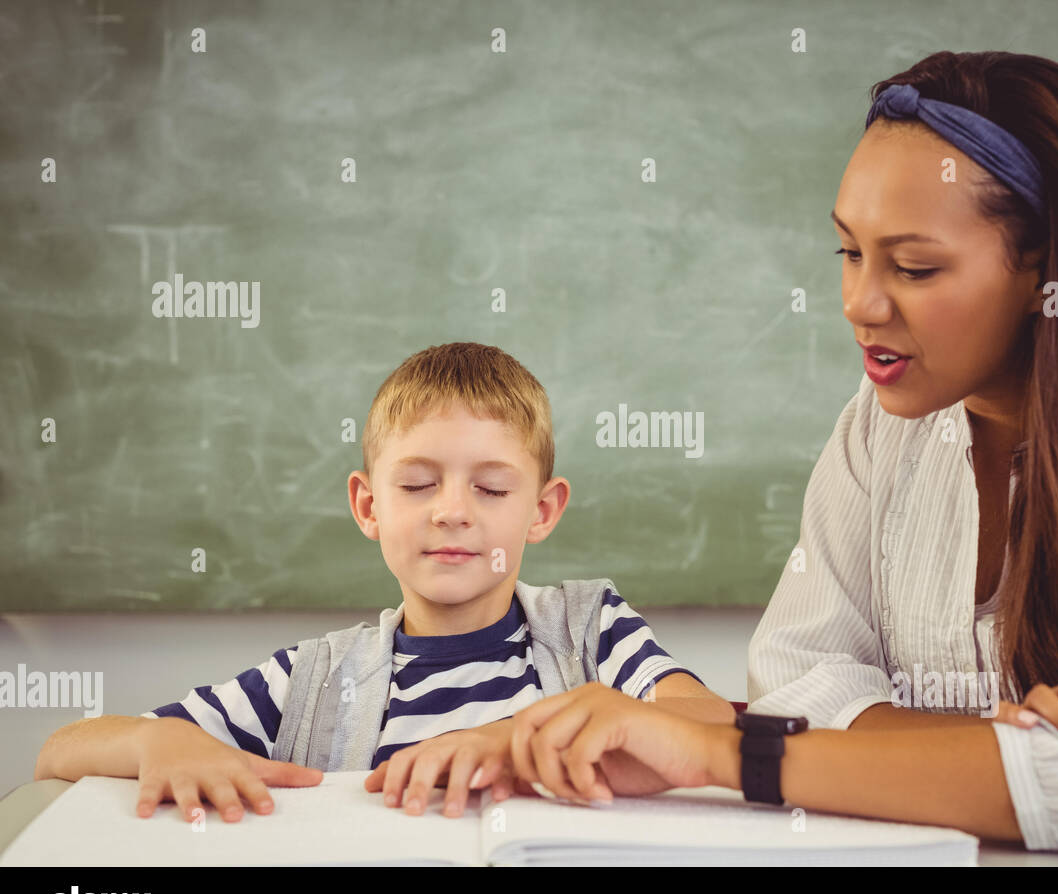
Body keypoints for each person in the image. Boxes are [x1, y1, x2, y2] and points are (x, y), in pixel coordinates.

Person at [503, 51, 1058, 866]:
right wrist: (996, 750)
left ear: (1046, 270)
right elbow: (796, 677)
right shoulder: (881, 423)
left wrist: (726, 755)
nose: (859, 304)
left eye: (914, 267)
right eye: (848, 252)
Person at [33, 343, 735, 823]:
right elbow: (61, 751)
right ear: (369, 506)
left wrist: (520, 735)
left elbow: (711, 724)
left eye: (491, 489)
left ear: (541, 511)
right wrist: (158, 742)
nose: (452, 510)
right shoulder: (313, 683)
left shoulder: (591, 631)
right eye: (418, 483)